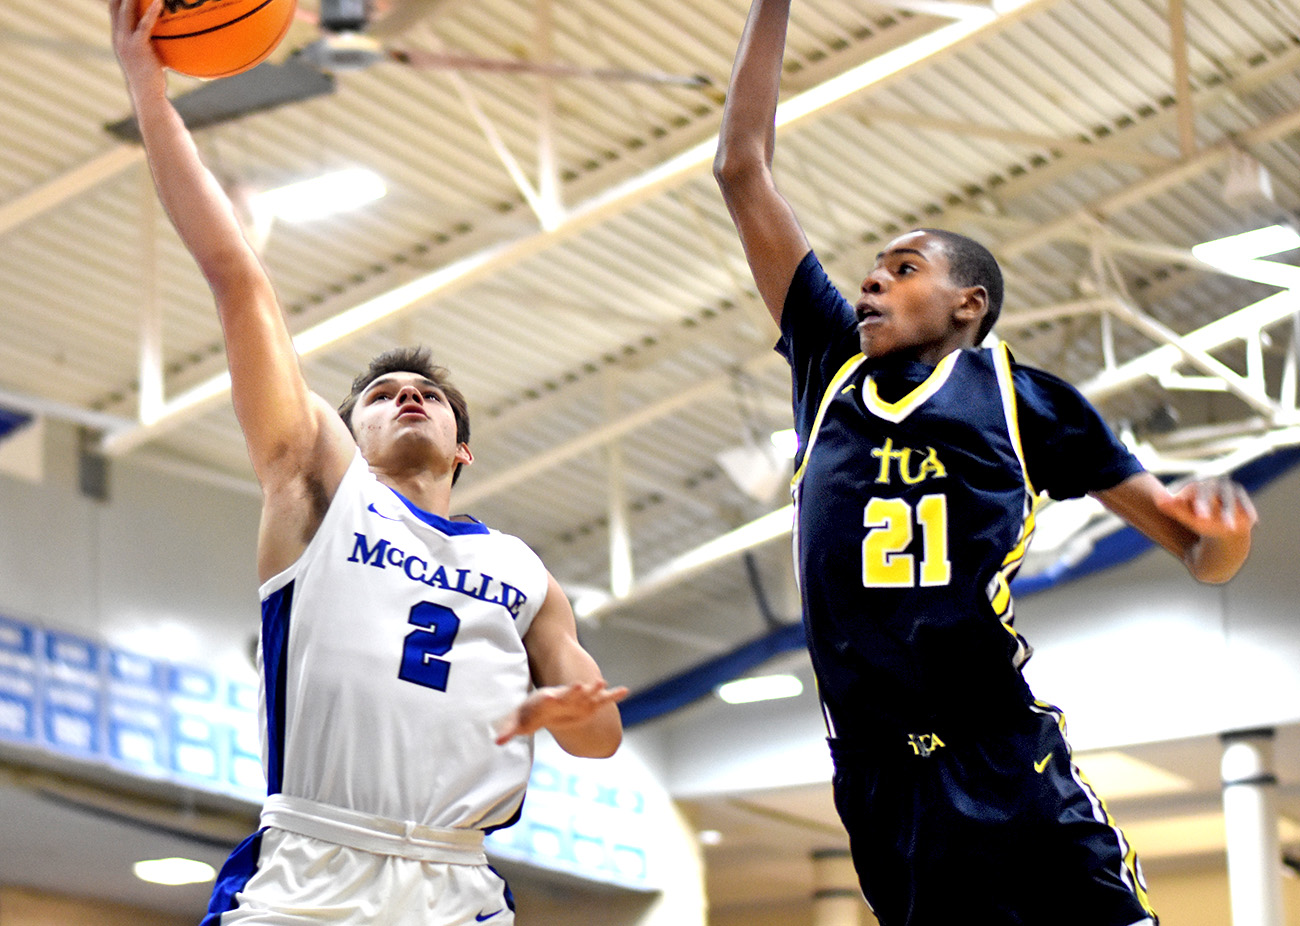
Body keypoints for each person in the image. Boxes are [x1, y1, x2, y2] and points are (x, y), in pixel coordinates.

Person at [714, 2, 1257, 924]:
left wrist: (1225, 535)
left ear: (968, 304)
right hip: (880, 775)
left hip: (1002, 756)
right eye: (872, 269)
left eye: (903, 266)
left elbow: (1199, 556)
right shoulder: (829, 363)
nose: (873, 280)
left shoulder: (1022, 398)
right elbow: (740, 168)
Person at [110, 2, 627, 924]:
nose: (407, 398)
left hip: (457, 883)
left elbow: (598, 738)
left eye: (425, 395)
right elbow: (237, 275)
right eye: (381, 395)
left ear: (461, 448)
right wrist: (149, 89)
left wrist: (576, 712)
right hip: (309, 868)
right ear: (346, 430)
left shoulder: (521, 571)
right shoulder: (319, 487)